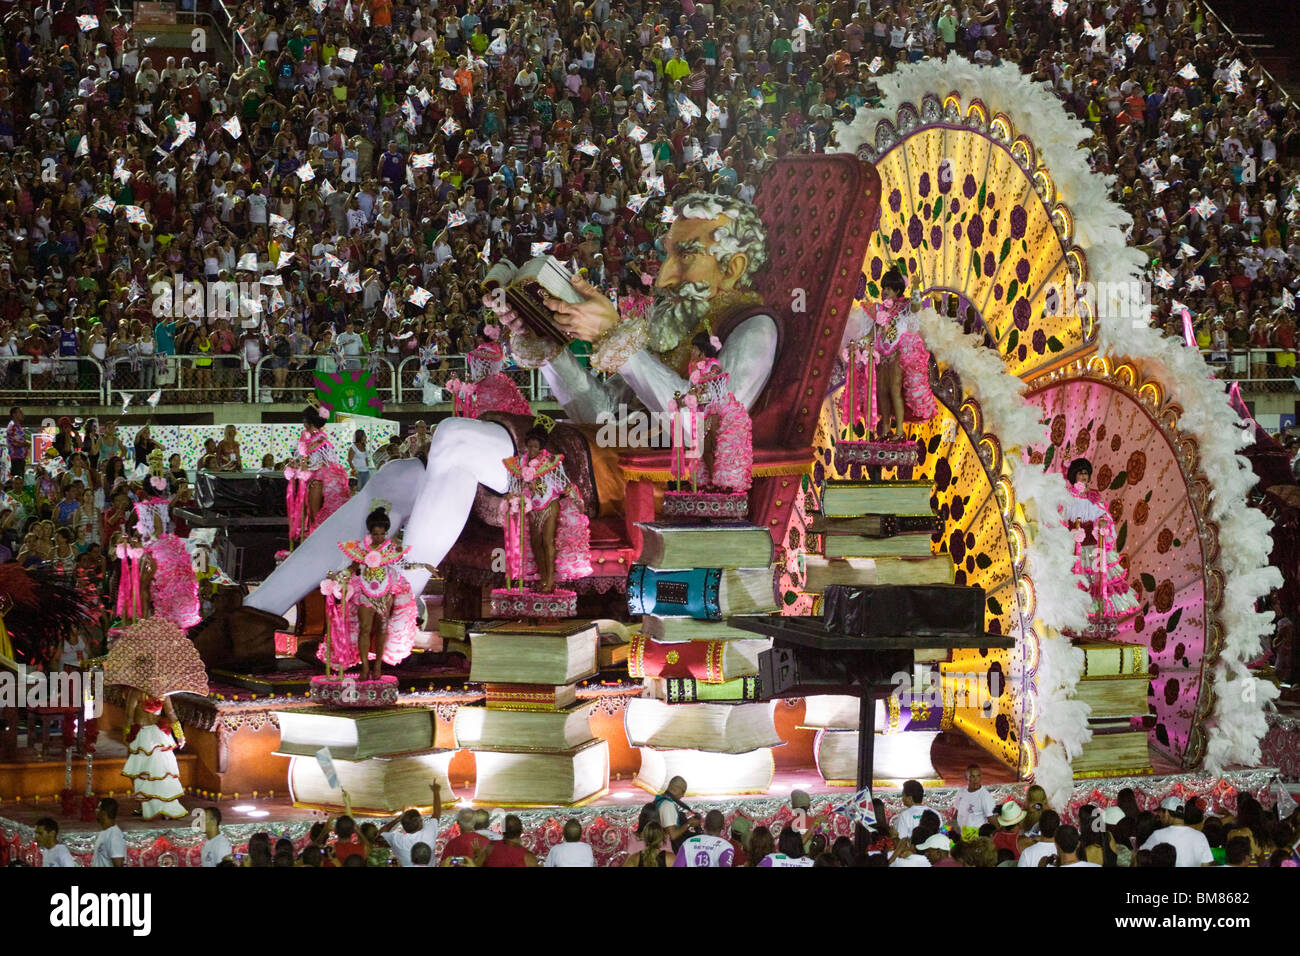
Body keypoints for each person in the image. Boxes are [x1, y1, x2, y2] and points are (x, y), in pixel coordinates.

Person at [244, 193, 776, 622]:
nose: (665, 273)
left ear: (732, 266)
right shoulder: (667, 324)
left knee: (454, 438)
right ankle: (260, 610)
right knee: (399, 473)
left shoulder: (753, 327)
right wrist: (548, 346)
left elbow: (706, 426)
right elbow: (602, 414)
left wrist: (617, 335)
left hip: (644, 477)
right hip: (600, 450)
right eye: (668, 253)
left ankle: (395, 609)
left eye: (686, 255)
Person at [322, 507, 421, 682]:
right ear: (370, 532)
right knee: (364, 629)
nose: (379, 538)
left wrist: (424, 566)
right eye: (376, 534)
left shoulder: (391, 547)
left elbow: (405, 563)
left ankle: (378, 668)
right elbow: (353, 567)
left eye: (382, 534)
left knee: (382, 629)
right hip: (365, 592)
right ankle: (365, 668)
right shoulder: (361, 547)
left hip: (385, 592)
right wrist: (338, 577)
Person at [841, 267, 937, 440]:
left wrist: (915, 286)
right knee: (882, 391)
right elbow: (871, 335)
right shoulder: (877, 310)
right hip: (881, 356)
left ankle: (899, 432)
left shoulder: (905, 307)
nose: (885, 292)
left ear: (897, 290)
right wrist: (857, 346)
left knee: (894, 389)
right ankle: (885, 430)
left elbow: (916, 306)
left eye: (889, 288)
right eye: (884, 288)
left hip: (897, 354)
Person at [501, 426, 592, 593]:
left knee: (547, 541)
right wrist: (513, 494)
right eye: (530, 446)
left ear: (541, 447)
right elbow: (516, 485)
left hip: (550, 503)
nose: (532, 449)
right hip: (532, 506)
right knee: (535, 542)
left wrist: (539, 485)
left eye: (536, 446)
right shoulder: (520, 463)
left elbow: (559, 483)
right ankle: (543, 579)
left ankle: (550, 582)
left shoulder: (550, 461)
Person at [1060, 457, 1139, 638]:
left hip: (1094, 549)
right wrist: (1071, 535)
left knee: (1096, 583)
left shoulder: (1094, 498)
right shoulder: (1066, 498)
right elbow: (1060, 523)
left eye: (1086, 473)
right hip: (1074, 552)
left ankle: (1094, 624)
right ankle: (1075, 625)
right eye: (1080, 473)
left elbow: (1106, 519)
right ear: (1073, 475)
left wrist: (1100, 526)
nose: (1083, 477)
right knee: (1076, 584)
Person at [674, 332, 753, 492]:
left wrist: (699, 377)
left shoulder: (712, 365)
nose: (692, 352)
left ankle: (722, 483)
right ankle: (711, 480)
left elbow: (712, 378)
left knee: (715, 445)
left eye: (694, 349)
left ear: (702, 351)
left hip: (720, 409)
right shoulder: (694, 368)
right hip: (706, 411)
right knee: (705, 448)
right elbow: (695, 392)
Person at [284, 405, 350, 544]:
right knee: (309, 515)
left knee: (315, 516)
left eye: (305, 421)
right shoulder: (310, 439)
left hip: (318, 480)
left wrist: (300, 465)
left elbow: (317, 462)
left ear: (309, 422)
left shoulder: (320, 441)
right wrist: (294, 465)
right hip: (310, 480)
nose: (303, 424)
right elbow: (303, 461)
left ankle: (320, 542)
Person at [122, 685, 187, 820]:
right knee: (159, 771)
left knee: (143, 771)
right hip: (156, 735)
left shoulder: (136, 692)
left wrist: (127, 734)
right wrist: (180, 735)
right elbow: (171, 714)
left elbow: (129, 715)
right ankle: (154, 807)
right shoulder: (163, 692)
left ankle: (149, 806)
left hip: (147, 735)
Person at [1141, 796, 1215, 867]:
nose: (1159, 816)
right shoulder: (1200, 836)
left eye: (1160, 813)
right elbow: (1205, 864)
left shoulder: (1158, 835)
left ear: (1166, 813)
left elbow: (1140, 856)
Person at [382, 783, 443, 867]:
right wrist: (436, 791)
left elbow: (381, 833)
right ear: (419, 823)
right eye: (421, 820)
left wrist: (397, 819)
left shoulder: (398, 840)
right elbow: (436, 814)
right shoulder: (428, 833)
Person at [653, 775, 703, 852]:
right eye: (683, 791)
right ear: (674, 789)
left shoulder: (661, 800)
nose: (683, 795)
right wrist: (688, 824)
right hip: (669, 850)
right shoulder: (667, 805)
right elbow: (673, 835)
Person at [953, 764, 999, 840]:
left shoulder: (985, 796)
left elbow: (991, 818)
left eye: (978, 776)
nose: (976, 780)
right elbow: (956, 813)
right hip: (960, 834)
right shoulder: (961, 792)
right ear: (966, 778)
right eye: (972, 776)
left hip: (975, 836)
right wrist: (947, 830)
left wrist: (1000, 834)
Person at [92, 798, 126, 867]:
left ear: (104, 813)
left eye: (98, 808)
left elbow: (118, 864)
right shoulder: (104, 832)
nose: (95, 811)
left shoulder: (114, 835)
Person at [5, 407, 25, 480]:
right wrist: (26, 444)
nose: (22, 415)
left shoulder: (18, 426)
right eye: (20, 412)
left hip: (20, 459)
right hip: (15, 459)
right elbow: (14, 442)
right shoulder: (12, 426)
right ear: (14, 414)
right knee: (16, 481)